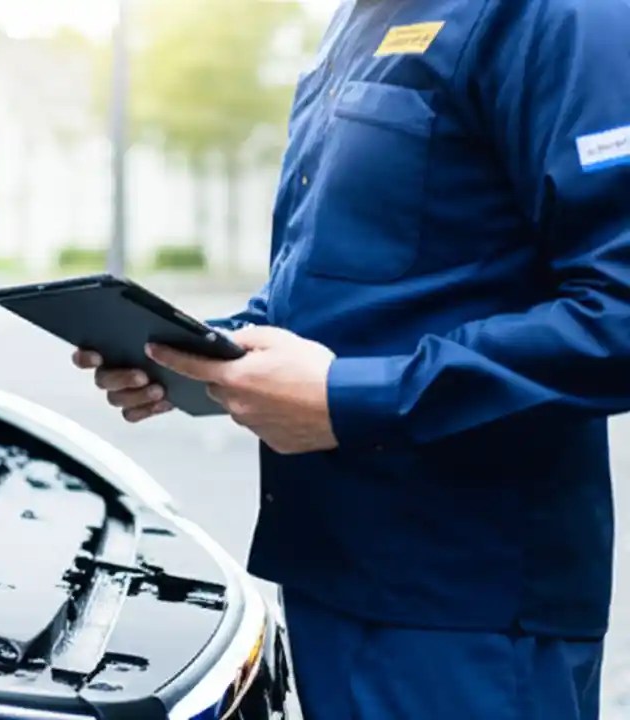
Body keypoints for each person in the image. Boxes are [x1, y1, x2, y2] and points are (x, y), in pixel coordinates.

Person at [74, 0, 630, 717]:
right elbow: (337, 281)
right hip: (330, 582)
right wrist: (200, 350)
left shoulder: (556, 17)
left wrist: (351, 397)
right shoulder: (355, 22)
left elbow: (618, 313)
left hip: (468, 612)